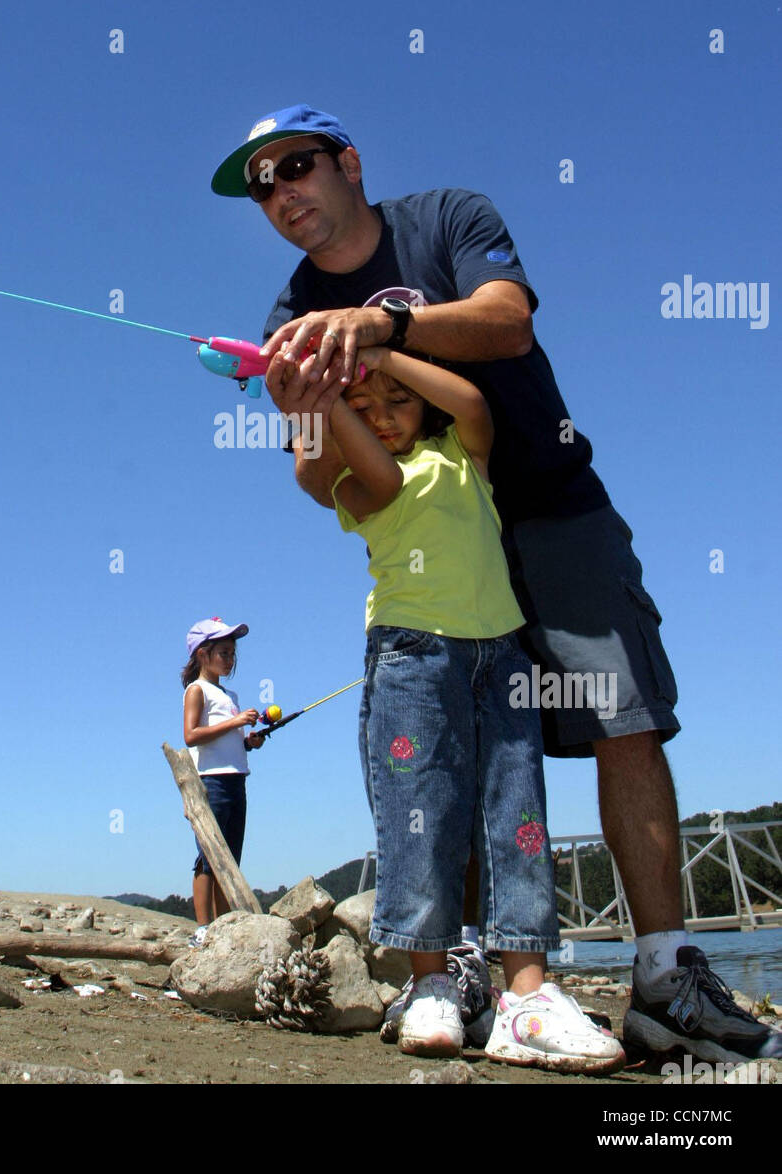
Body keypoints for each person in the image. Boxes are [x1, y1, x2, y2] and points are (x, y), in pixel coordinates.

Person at [210, 104, 782, 1064]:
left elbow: (506, 324)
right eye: (260, 184)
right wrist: (305, 411)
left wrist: (382, 326)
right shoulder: (289, 313)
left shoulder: (446, 216)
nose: (279, 193)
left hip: (553, 507)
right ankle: (466, 970)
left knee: (625, 718)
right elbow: (318, 480)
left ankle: (663, 976)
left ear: (348, 162)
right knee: (460, 754)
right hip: (433, 549)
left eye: (295, 166)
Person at [325, 340, 624, 1068]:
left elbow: (473, 403)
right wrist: (321, 395)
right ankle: (430, 984)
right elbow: (361, 462)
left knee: (517, 817)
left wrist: (379, 357)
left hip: (503, 654)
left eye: (399, 402)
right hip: (413, 659)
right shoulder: (363, 483)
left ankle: (526, 993)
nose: (386, 417)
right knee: (421, 814)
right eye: (369, 412)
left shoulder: (466, 453)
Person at [181, 617, 263, 944]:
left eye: (233, 654)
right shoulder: (196, 690)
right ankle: (203, 928)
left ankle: (226, 926)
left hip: (236, 781)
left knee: (230, 859)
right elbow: (190, 736)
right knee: (208, 857)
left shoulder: (229, 694)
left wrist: (248, 742)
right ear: (203, 654)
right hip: (210, 783)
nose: (230, 659)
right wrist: (236, 722)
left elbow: (229, 742)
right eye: (224, 653)